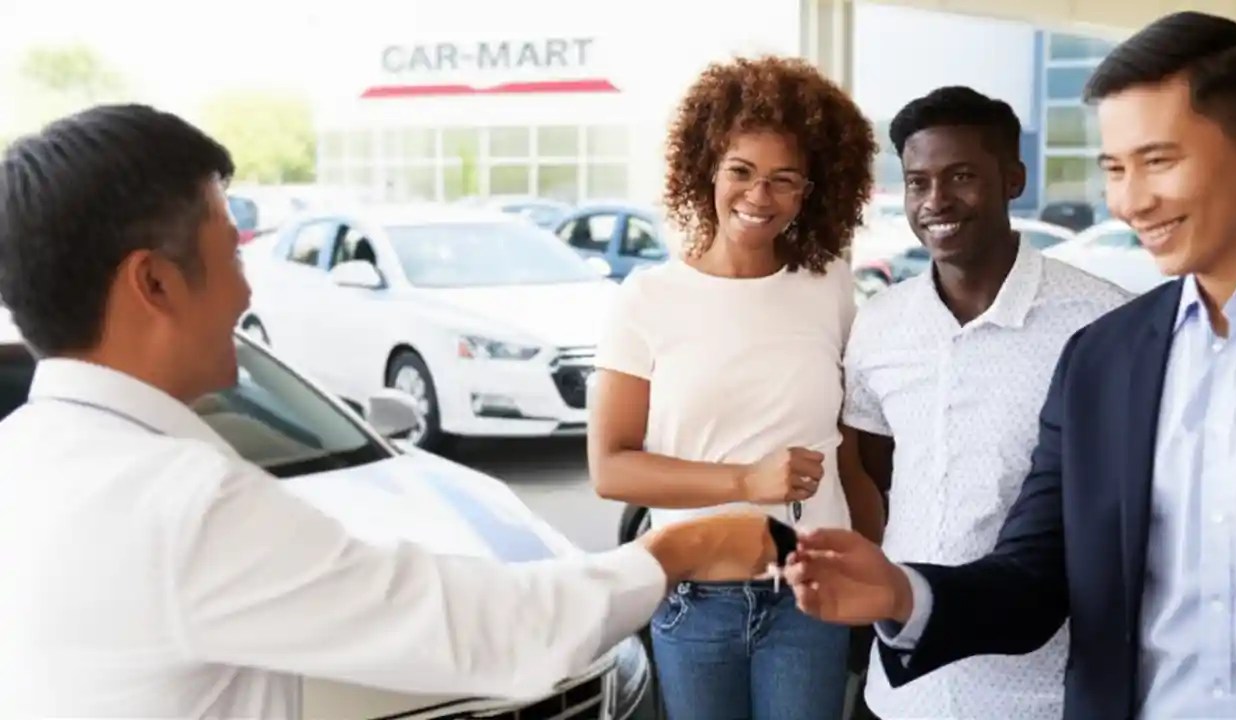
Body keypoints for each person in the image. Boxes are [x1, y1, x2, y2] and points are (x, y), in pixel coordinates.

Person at [0, 104, 782, 718]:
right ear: (156, 284)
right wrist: (678, 549)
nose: (246, 289)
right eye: (233, 254)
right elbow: (496, 629)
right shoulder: (181, 504)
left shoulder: (25, 457)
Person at [783, 11, 1236, 720]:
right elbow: (1035, 578)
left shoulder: (1084, 318)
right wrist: (902, 593)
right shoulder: (1107, 358)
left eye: (1159, 160)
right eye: (1115, 168)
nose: (1131, 201)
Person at [588, 55, 884, 720]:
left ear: (811, 191)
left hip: (810, 587)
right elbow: (611, 469)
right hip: (694, 597)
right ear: (707, 171)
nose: (759, 197)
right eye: (742, 172)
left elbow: (851, 453)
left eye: (784, 180)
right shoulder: (648, 300)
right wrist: (746, 482)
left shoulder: (828, 288)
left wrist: (879, 568)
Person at [842, 86, 1130, 720]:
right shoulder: (879, 325)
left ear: (1014, 179)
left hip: (1041, 692)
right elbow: (873, 468)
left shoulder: (1101, 322)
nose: (936, 201)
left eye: (961, 176)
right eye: (918, 182)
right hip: (902, 689)